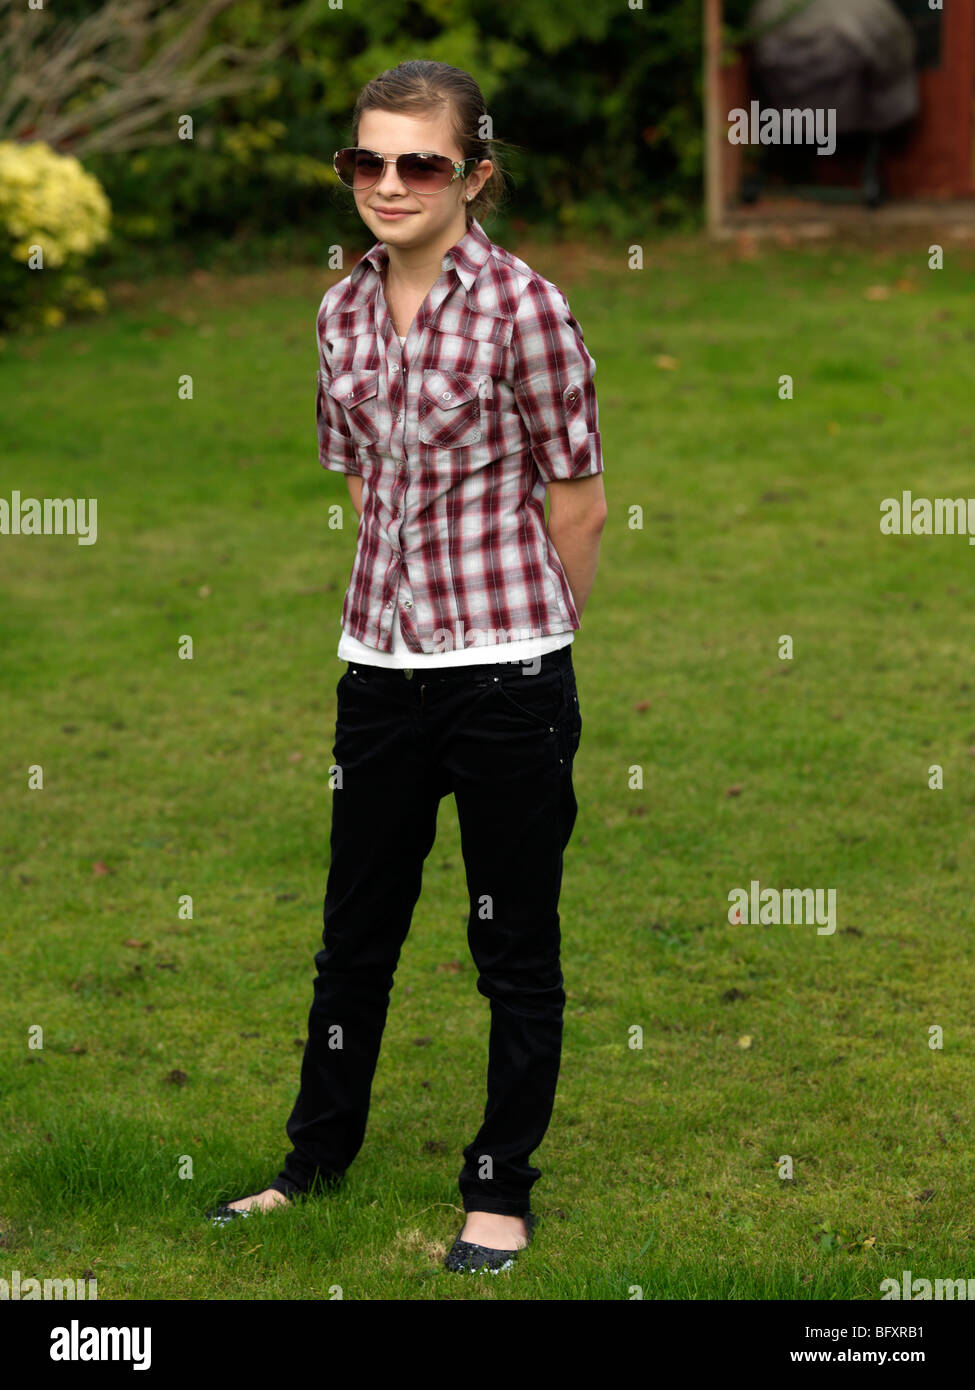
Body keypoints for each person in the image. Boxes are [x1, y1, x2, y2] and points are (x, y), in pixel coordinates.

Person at [206, 59, 606, 1274]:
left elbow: (578, 499)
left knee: (513, 949)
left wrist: (539, 646)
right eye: (365, 161)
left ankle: (499, 1188)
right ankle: (313, 1161)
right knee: (354, 934)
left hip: (507, 678)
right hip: (377, 670)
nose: (388, 183)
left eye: (417, 162)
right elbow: (366, 480)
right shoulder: (338, 313)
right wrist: (401, 621)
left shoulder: (528, 310)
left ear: (473, 174)